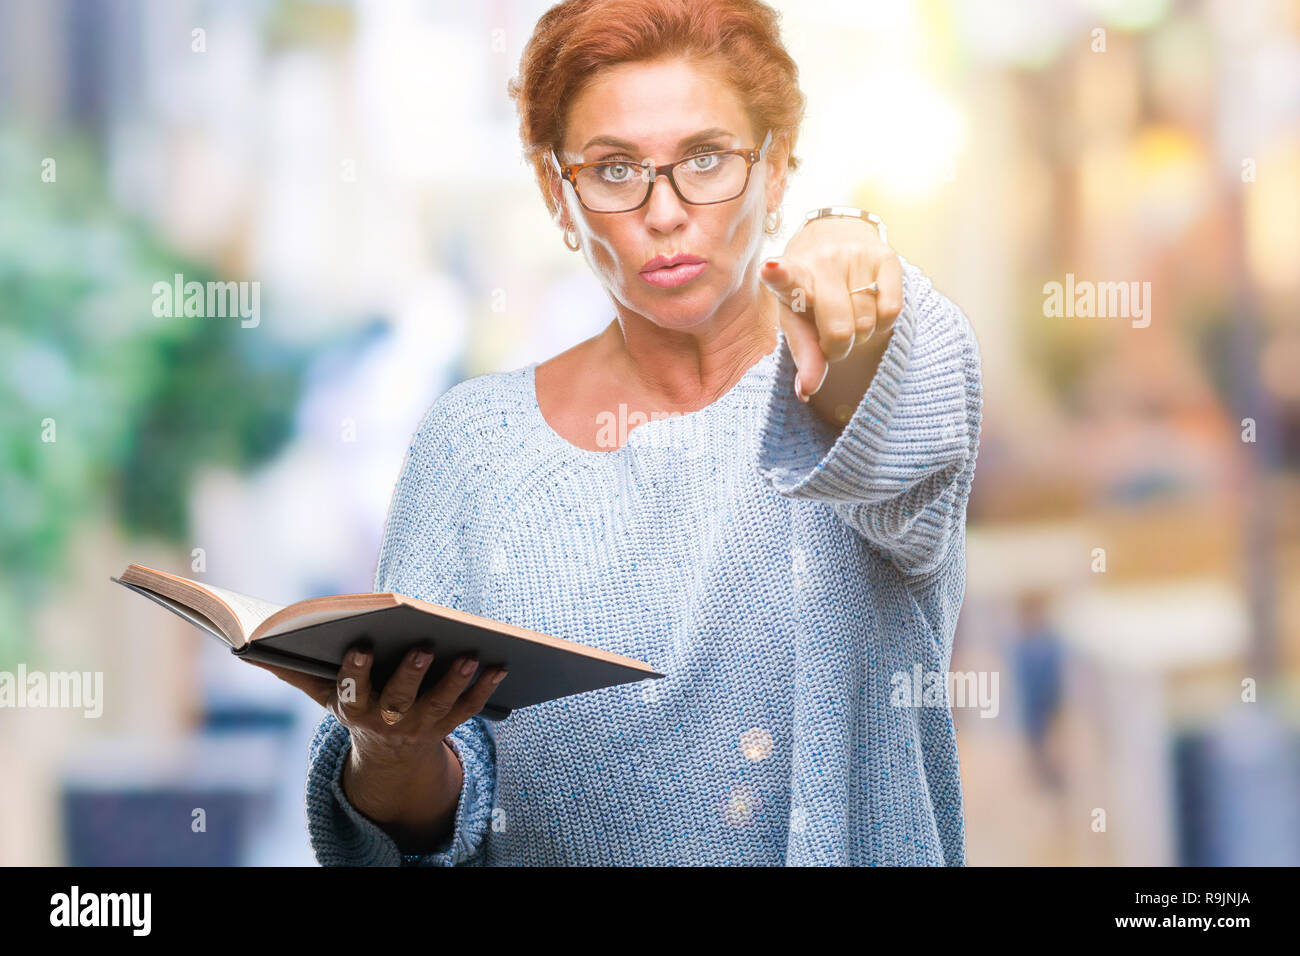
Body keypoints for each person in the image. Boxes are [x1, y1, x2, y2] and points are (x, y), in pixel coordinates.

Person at [249, 0, 983, 866]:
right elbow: (423, 826)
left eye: (707, 159)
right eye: (613, 169)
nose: (665, 212)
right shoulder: (474, 449)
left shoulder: (871, 355)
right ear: (559, 193)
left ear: (778, 165)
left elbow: (900, 443)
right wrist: (390, 750)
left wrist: (849, 246)